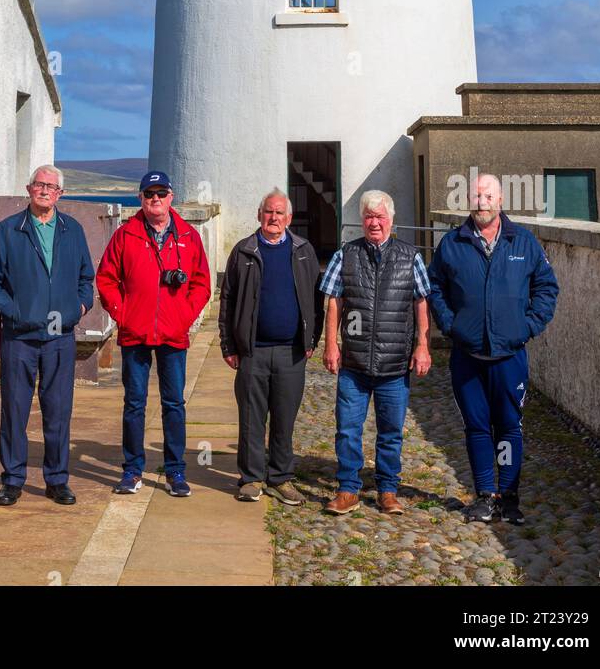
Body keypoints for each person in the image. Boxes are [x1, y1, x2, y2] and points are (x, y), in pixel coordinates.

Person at [428, 173, 559, 525]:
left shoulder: (524, 242)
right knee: (477, 427)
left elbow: (547, 288)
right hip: (468, 357)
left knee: (509, 426)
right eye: (476, 196)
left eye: (488, 196)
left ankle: (510, 497)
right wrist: (450, 325)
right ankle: (486, 495)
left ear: (500, 200)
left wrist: (528, 326)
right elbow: (434, 286)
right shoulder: (453, 243)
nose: (481, 202)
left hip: (509, 356)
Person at [0, 165, 94, 507]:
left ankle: (57, 480)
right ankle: (12, 479)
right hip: (20, 336)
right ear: (29, 189)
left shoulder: (73, 230)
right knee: (14, 409)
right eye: (39, 184)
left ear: (60, 194)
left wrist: (79, 308)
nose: (44, 190)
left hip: (60, 335)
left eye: (51, 186)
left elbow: (87, 278)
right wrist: (14, 311)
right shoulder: (10, 230)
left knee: (58, 410)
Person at [96, 171, 211, 497]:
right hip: (135, 333)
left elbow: (202, 282)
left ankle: (175, 470)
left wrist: (184, 316)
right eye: (149, 194)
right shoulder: (125, 235)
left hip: (173, 334)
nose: (155, 199)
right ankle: (132, 470)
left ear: (171, 196)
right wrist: (123, 314)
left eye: (161, 193)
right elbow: (106, 279)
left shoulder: (188, 235)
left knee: (174, 403)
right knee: (134, 403)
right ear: (141, 198)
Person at [320, 190, 431, 517]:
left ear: (391, 221)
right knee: (347, 429)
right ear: (362, 220)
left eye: (380, 217)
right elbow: (333, 301)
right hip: (354, 363)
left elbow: (421, 301)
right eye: (369, 217)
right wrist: (330, 344)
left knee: (391, 432)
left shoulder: (410, 257)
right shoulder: (346, 255)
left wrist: (422, 345)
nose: (374, 223)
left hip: (395, 365)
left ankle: (387, 490)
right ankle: (348, 489)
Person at [219, 188, 323, 504]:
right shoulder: (243, 251)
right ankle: (251, 478)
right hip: (253, 350)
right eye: (268, 211)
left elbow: (316, 300)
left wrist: (311, 340)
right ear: (259, 215)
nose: (273, 218)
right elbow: (228, 300)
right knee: (251, 417)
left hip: (292, 351)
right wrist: (228, 345)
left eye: (279, 213)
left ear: (288, 218)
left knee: (284, 417)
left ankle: (280, 477)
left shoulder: (304, 251)